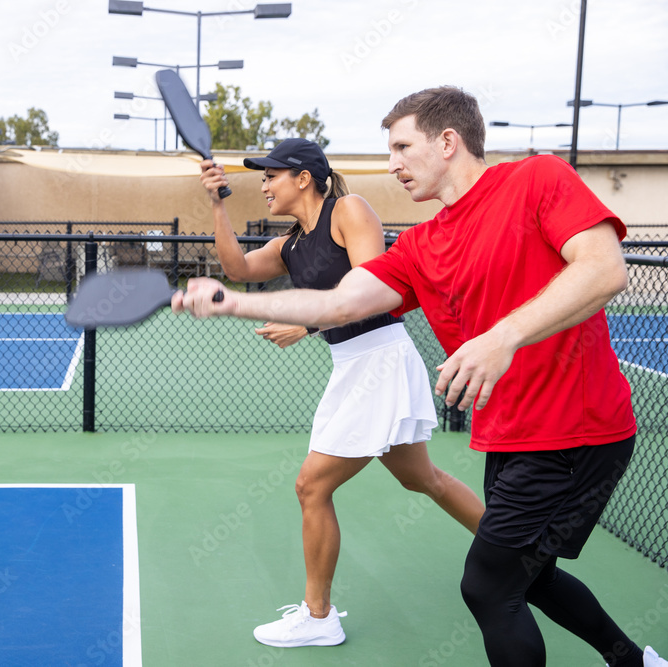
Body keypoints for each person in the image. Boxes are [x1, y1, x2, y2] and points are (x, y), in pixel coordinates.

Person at [174, 88, 667, 667]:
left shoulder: (537, 178)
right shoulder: (423, 244)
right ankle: (636, 662)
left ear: (448, 142)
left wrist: (501, 337)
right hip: (507, 433)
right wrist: (232, 302)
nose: (392, 164)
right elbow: (341, 304)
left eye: (403, 147)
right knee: (527, 577)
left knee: (488, 586)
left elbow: (605, 269)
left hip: (576, 429)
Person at [198, 137, 484, 648]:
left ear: (303, 178)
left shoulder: (349, 210)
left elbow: (373, 288)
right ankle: (519, 552)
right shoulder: (290, 245)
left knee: (312, 487)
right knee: (424, 480)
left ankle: (319, 616)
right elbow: (237, 270)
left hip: (380, 358)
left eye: (271, 175)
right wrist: (217, 202)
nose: (264, 185)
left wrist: (306, 326)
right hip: (351, 365)